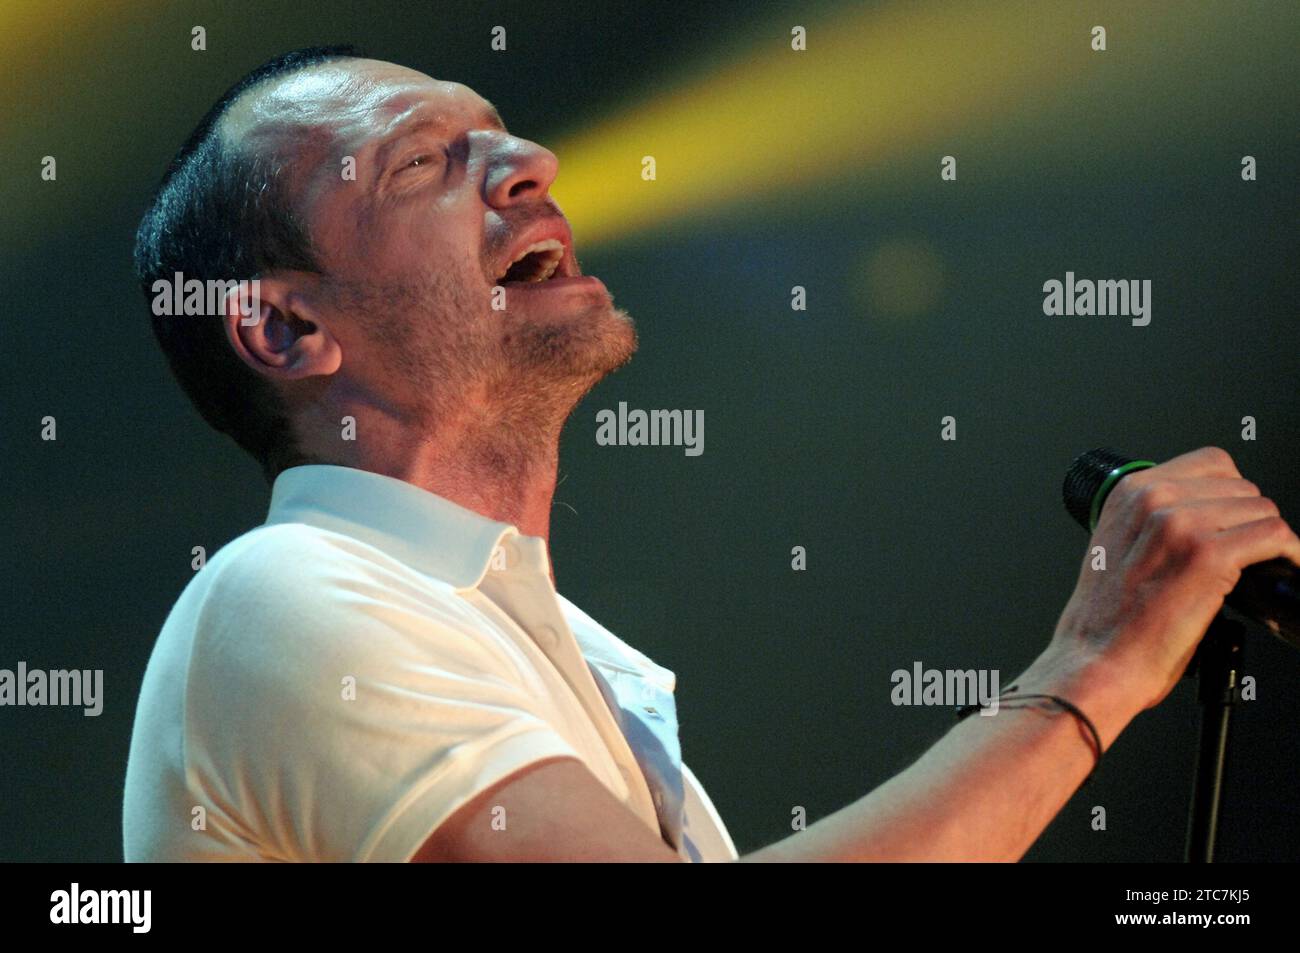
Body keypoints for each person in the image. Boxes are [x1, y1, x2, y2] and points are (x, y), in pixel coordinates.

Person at [123, 46, 1300, 862]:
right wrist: (1096, 660)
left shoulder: (550, 652)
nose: (529, 162)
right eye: (421, 160)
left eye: (498, 131)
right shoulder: (281, 592)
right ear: (285, 326)